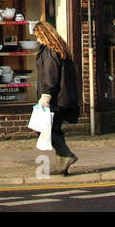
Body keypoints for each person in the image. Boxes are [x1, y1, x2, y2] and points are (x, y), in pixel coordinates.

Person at [34, 21, 81, 175]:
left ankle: (66, 155)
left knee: (42, 128)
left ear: (43, 34)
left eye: (37, 36)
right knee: (55, 129)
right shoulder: (61, 49)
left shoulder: (49, 52)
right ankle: (62, 165)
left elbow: (50, 76)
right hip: (64, 97)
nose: (37, 40)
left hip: (55, 98)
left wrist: (46, 96)